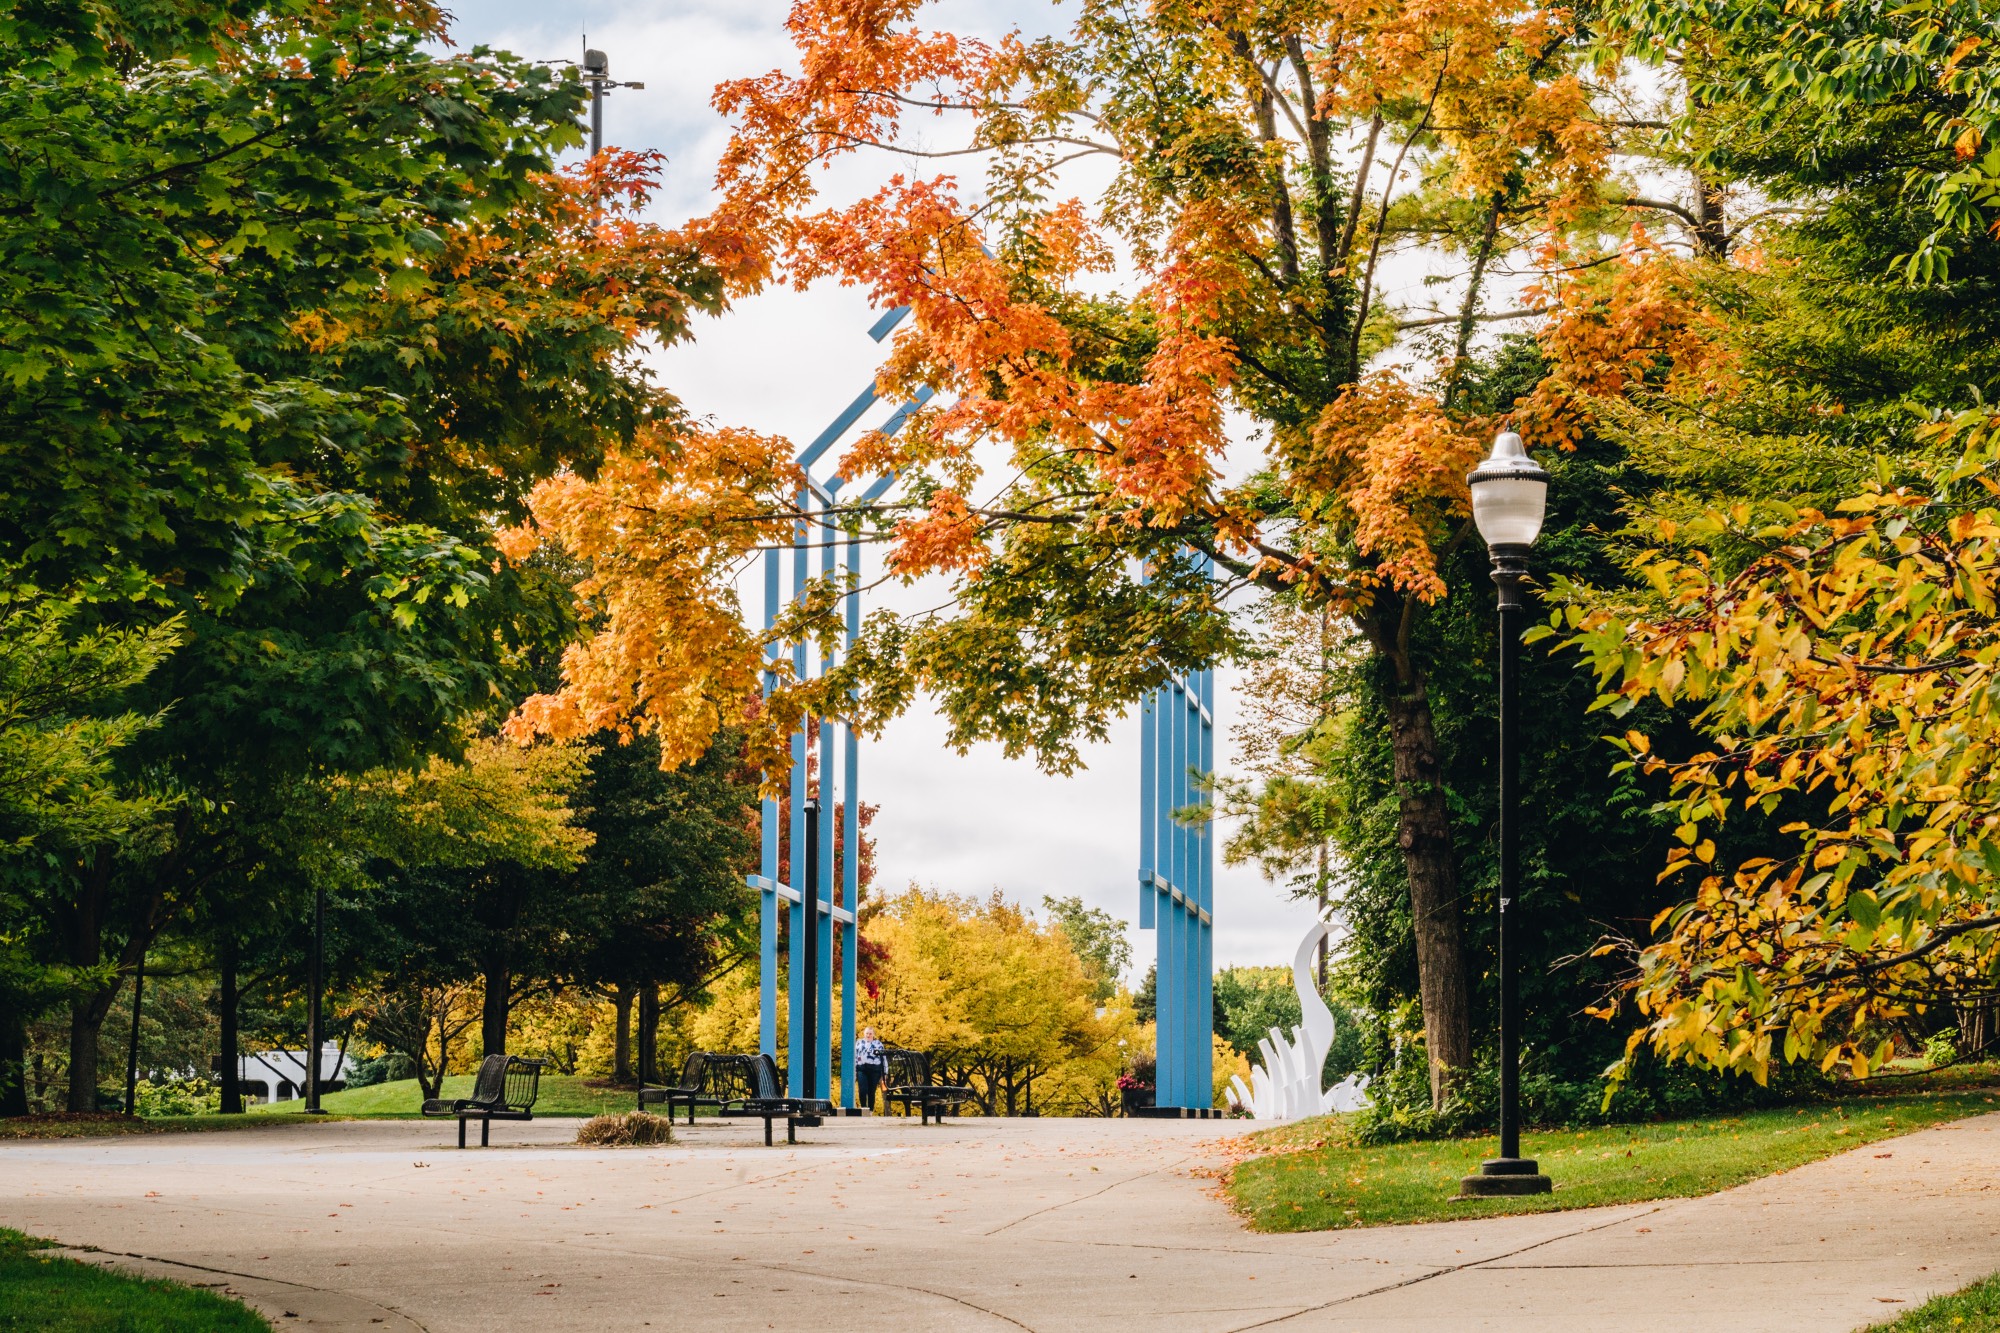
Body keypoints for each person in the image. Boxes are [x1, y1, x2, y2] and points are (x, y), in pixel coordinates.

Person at [854, 1027, 886, 1112]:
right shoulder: (859, 1042)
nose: (868, 1035)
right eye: (867, 1033)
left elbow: (883, 1058)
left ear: (873, 1034)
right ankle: (863, 1108)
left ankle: (871, 1110)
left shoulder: (878, 1044)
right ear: (864, 1034)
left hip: (874, 1069)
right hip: (862, 1068)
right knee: (862, 1089)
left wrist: (885, 1072)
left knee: (871, 1091)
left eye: (870, 1033)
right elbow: (855, 1056)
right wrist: (854, 1070)